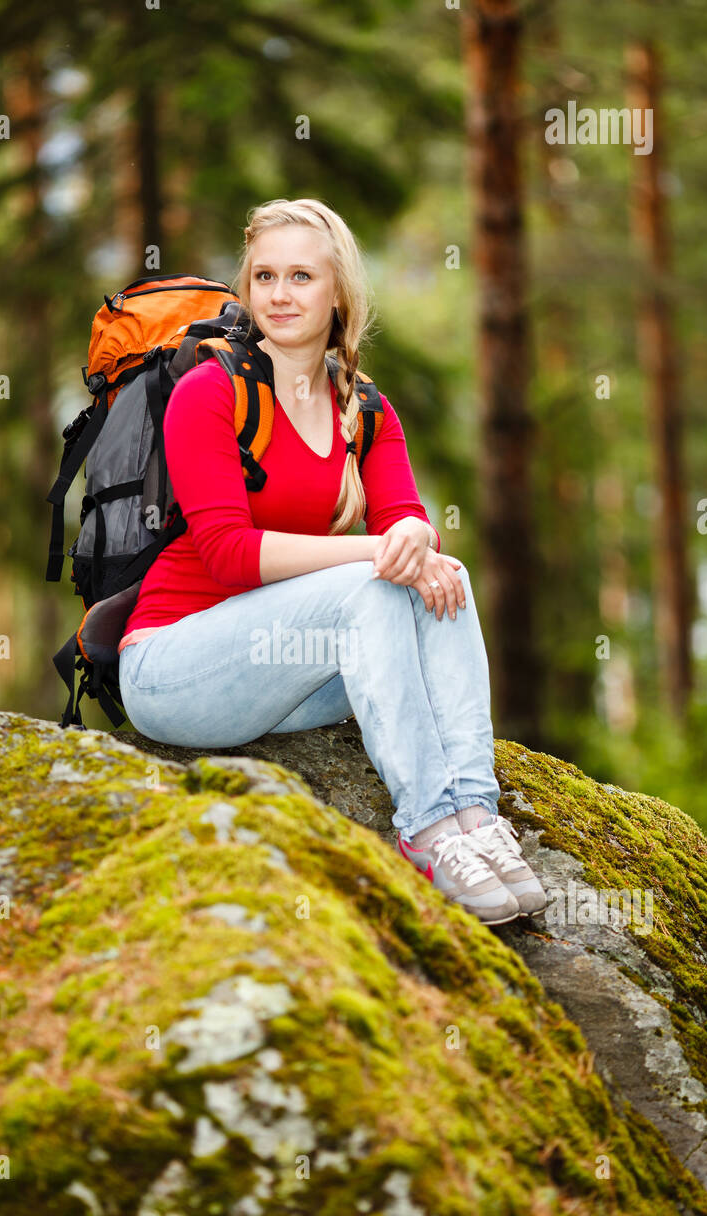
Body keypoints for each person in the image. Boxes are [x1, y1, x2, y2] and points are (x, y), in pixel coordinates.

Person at [117, 197, 545, 926]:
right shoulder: (209, 393)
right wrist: (381, 550)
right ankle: (428, 828)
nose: (281, 294)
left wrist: (413, 539)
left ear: (339, 291)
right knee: (370, 584)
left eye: (302, 277)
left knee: (449, 578)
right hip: (173, 667)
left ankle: (476, 815)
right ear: (247, 289)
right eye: (265, 277)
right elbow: (227, 555)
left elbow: (405, 519)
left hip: (288, 674)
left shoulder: (365, 407)